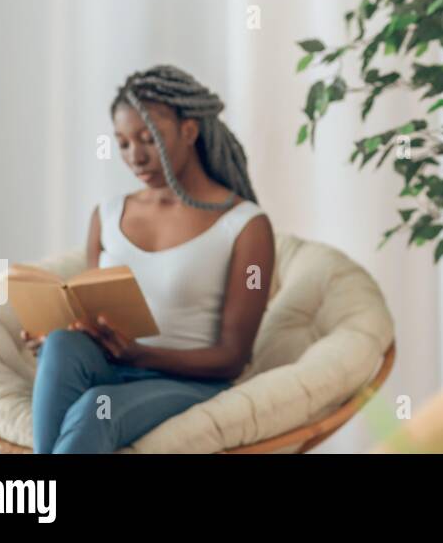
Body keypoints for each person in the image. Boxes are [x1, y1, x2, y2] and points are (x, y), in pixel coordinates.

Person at [24, 64, 275, 453]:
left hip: (187, 382)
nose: (135, 157)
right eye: (123, 143)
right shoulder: (106, 215)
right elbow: (92, 315)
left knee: (94, 410)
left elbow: (232, 358)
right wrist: (58, 332)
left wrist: (142, 354)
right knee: (60, 344)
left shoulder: (245, 226)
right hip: (111, 365)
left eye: (149, 139)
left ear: (189, 131)